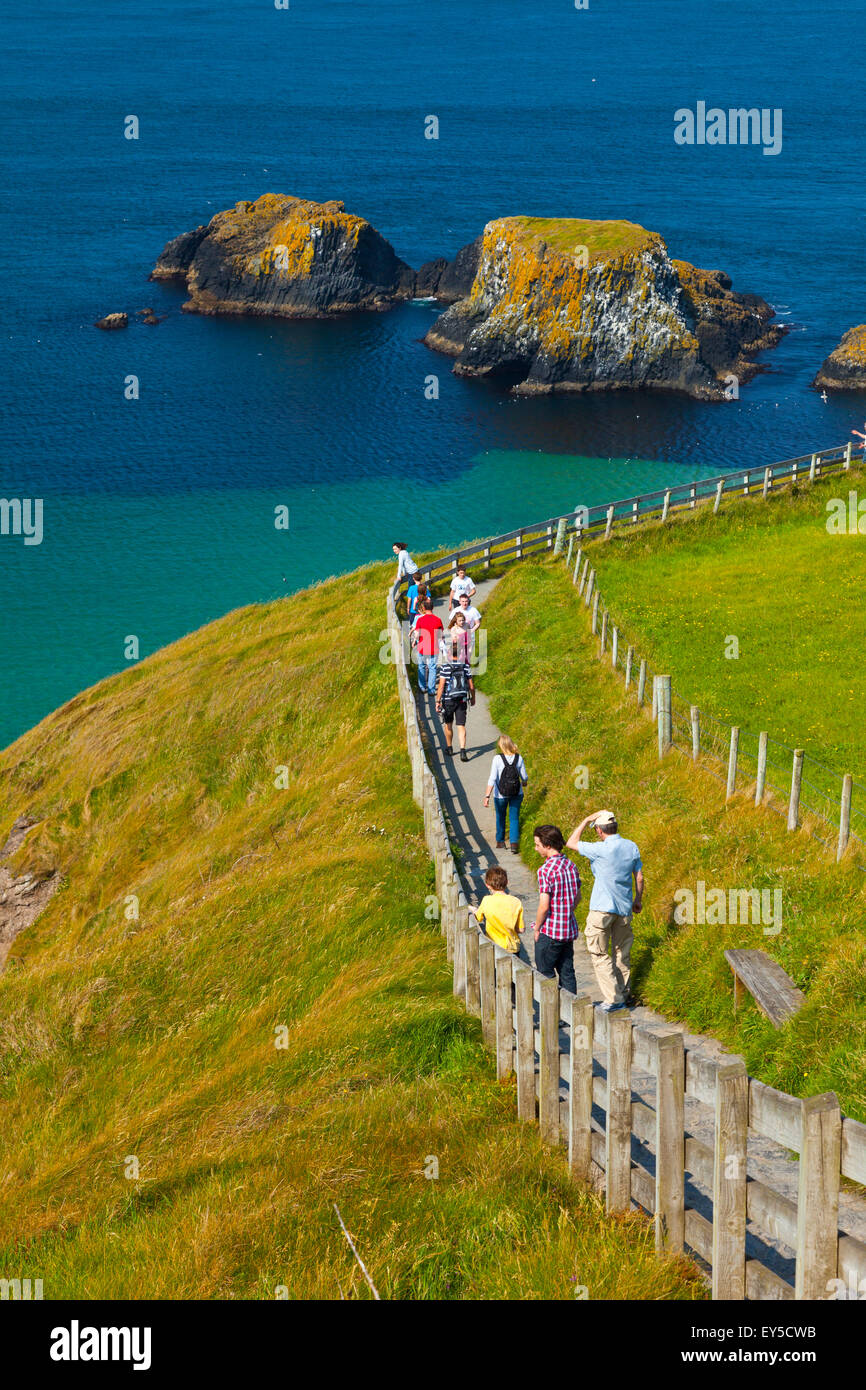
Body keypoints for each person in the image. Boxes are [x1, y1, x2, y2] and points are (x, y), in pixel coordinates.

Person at [566, 810, 644, 1013]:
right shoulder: (631, 846)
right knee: (621, 953)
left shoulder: (599, 849)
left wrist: (585, 820)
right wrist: (638, 900)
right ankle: (623, 994)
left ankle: (613, 998)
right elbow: (640, 877)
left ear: (599, 830)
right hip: (625, 907)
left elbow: (571, 842)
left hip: (602, 908)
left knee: (599, 953)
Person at [531, 825, 581, 993]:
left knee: (545, 975)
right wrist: (567, 910)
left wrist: (537, 928)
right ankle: (571, 1016)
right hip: (567, 929)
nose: (536, 848)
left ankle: (551, 1014)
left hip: (551, 931)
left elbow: (544, 906)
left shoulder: (545, 870)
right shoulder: (571, 865)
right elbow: (578, 897)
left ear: (547, 845)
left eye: (538, 844)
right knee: (567, 973)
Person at [435, 630, 475, 762]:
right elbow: (471, 686)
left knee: (448, 724)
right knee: (461, 725)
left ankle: (450, 747)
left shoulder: (445, 667)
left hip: (448, 700)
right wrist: (472, 698)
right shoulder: (465, 667)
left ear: (449, 654)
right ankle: (463, 751)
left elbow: (441, 686)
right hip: (462, 699)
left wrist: (437, 701)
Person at [483, 735, 528, 852]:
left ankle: (500, 842)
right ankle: (514, 844)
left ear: (501, 745)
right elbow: (524, 776)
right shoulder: (519, 758)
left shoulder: (497, 759)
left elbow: (492, 778)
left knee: (500, 817)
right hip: (516, 793)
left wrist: (487, 796)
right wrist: (524, 783)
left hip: (500, 795)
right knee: (514, 818)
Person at [473, 865, 524, 954]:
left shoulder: (486, 900)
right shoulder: (516, 902)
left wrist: (472, 909)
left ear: (487, 885)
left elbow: (478, 918)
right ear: (507, 882)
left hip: (494, 945)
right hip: (512, 947)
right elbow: (521, 929)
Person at [412, 598, 443, 695]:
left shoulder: (420, 619)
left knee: (421, 666)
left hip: (422, 646)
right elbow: (440, 635)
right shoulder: (438, 620)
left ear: (424, 608)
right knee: (432, 667)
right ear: (433, 608)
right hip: (434, 647)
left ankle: (422, 687)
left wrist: (415, 640)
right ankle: (431, 689)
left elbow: (417, 635)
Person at [452, 591, 482, 658]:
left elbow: (478, 623)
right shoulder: (455, 610)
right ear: (459, 602)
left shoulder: (473, 610)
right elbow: (452, 624)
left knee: (468, 655)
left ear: (468, 601)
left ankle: (467, 667)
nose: (464, 603)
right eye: (462, 601)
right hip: (458, 636)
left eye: (466, 601)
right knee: (458, 655)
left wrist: (471, 630)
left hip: (469, 636)